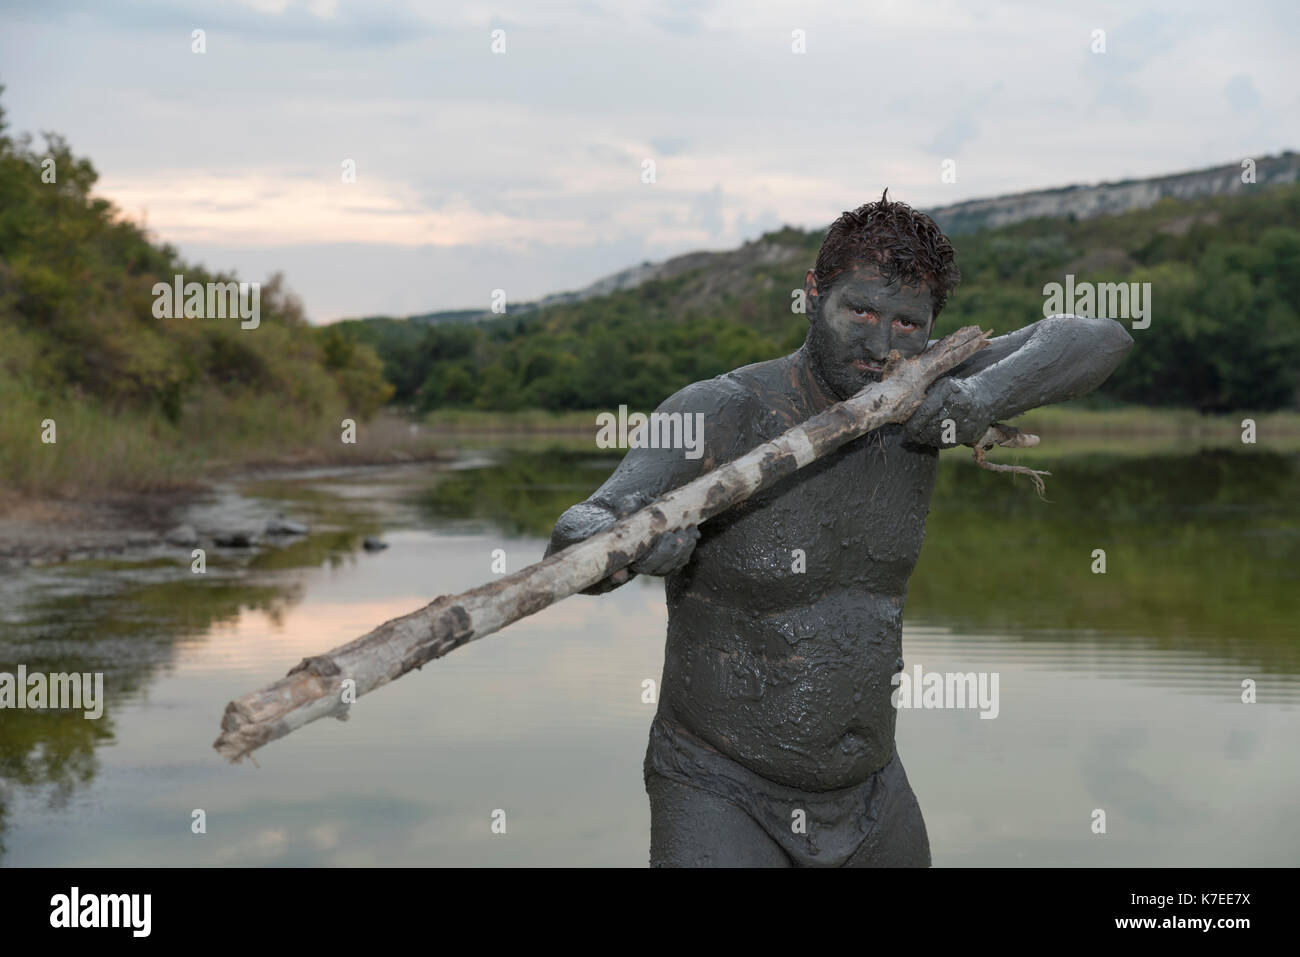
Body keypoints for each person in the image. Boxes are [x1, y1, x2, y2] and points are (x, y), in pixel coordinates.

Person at [545, 191, 1134, 867]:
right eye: (859, 311)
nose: (882, 344)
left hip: (872, 795)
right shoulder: (723, 411)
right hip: (721, 788)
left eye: (909, 323)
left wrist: (980, 398)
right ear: (811, 294)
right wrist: (627, 541)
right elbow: (582, 525)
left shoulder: (924, 389)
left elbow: (1103, 337)